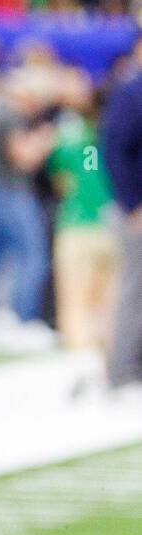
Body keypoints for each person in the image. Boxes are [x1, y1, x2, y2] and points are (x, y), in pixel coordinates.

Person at [0, 66, 58, 356]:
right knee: (32, 256)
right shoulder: (9, 114)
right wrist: (46, 139)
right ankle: (23, 319)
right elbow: (24, 158)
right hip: (11, 192)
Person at [47, 67, 116, 363]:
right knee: (110, 303)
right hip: (113, 223)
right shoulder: (119, 137)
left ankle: (79, 364)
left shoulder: (69, 138)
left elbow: (61, 181)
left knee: (74, 303)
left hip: (77, 224)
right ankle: (110, 364)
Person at [101, 36, 142, 388]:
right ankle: (120, 372)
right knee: (134, 290)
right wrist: (131, 205)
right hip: (136, 210)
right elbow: (114, 150)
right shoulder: (131, 91)